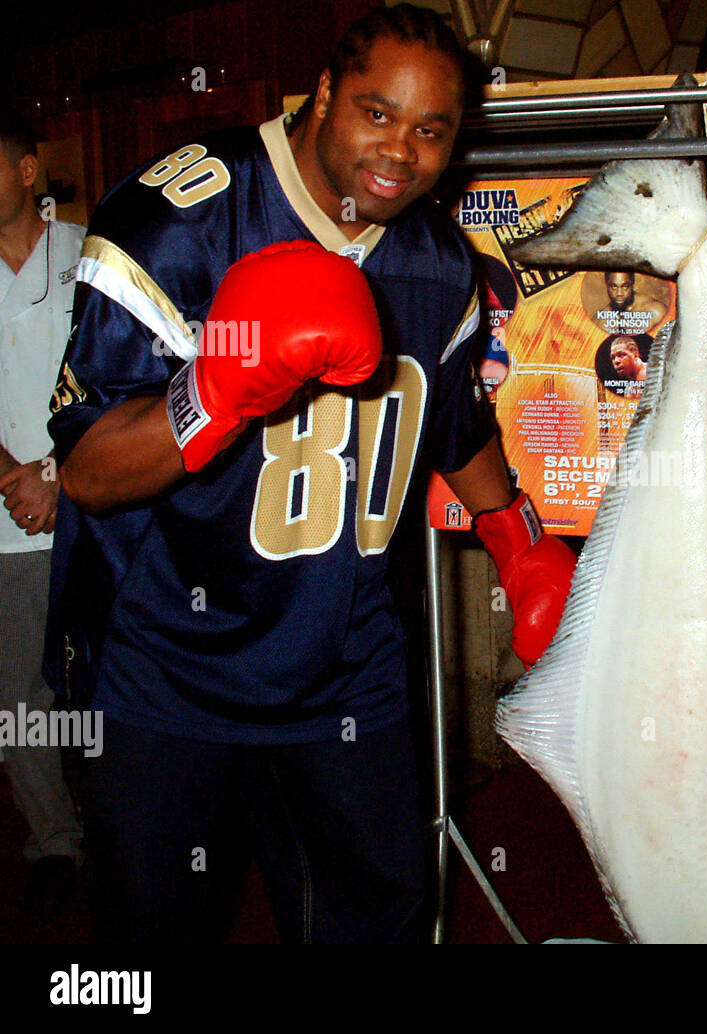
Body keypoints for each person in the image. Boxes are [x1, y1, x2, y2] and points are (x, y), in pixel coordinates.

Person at [46, 3, 574, 943]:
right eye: (377, 113)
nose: (402, 152)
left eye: (431, 131)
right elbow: (85, 471)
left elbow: (453, 423)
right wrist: (214, 389)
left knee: (379, 922)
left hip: (344, 670)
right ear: (323, 94)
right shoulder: (180, 223)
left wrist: (518, 540)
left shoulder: (437, 264)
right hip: (165, 670)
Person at [0, 108, 85, 914]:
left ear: (27, 171)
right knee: (19, 693)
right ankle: (53, 839)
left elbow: (119, 380)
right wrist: (13, 478)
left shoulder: (88, 253)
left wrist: (60, 477)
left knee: (115, 675)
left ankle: (130, 819)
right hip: (7, 521)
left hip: (94, 509)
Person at [590, 270, 667, 337]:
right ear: (607, 285)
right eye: (614, 286)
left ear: (632, 283)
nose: (619, 293)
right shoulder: (599, 321)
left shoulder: (656, 312)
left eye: (625, 286)